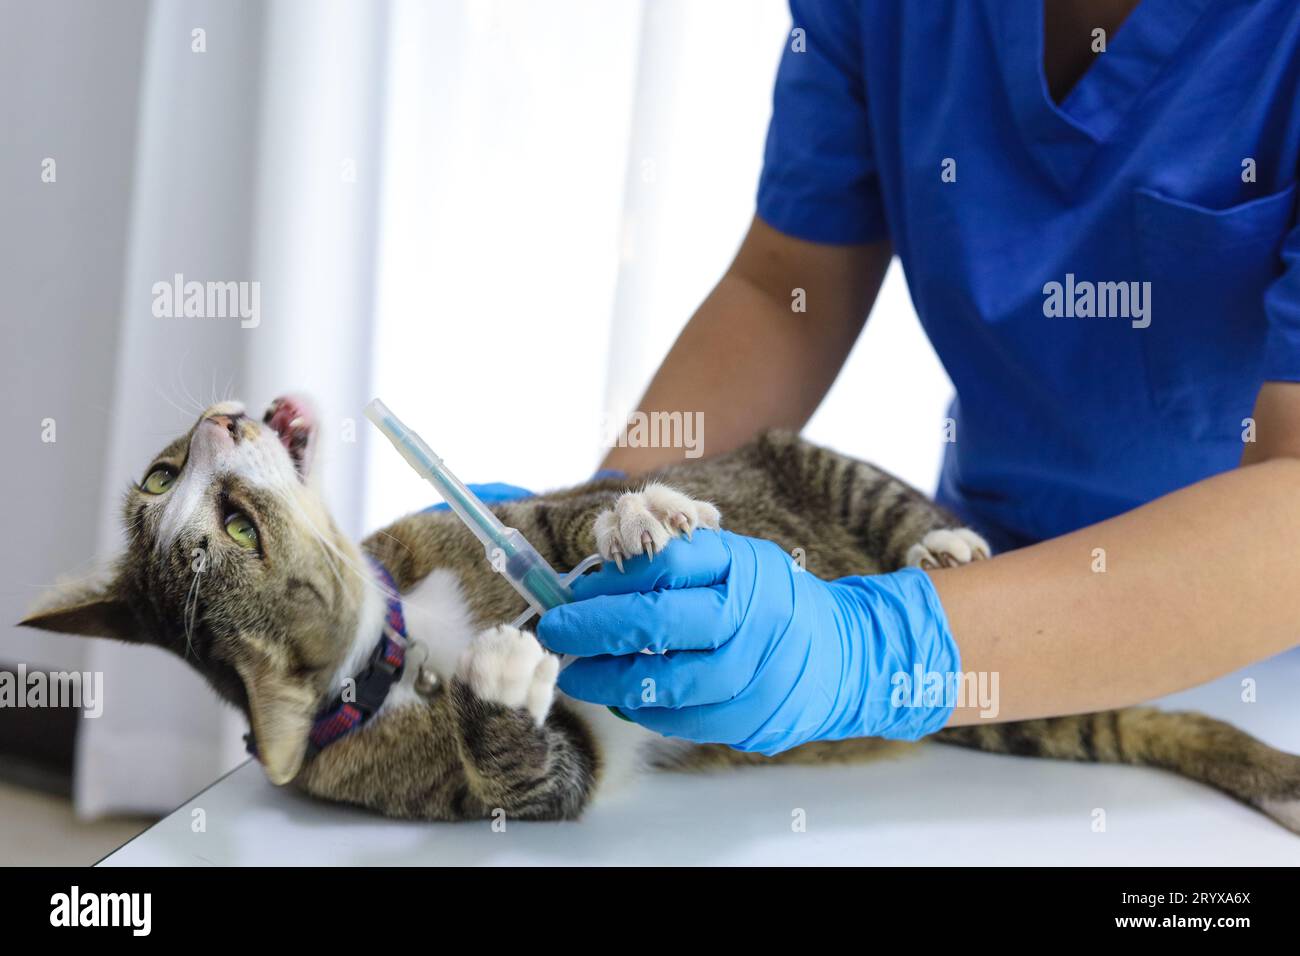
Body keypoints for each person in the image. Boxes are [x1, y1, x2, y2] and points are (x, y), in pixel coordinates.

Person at [534, 0, 1300, 754]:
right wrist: (592, 534)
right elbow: (790, 292)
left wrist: (878, 650)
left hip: (1256, 664)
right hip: (982, 609)